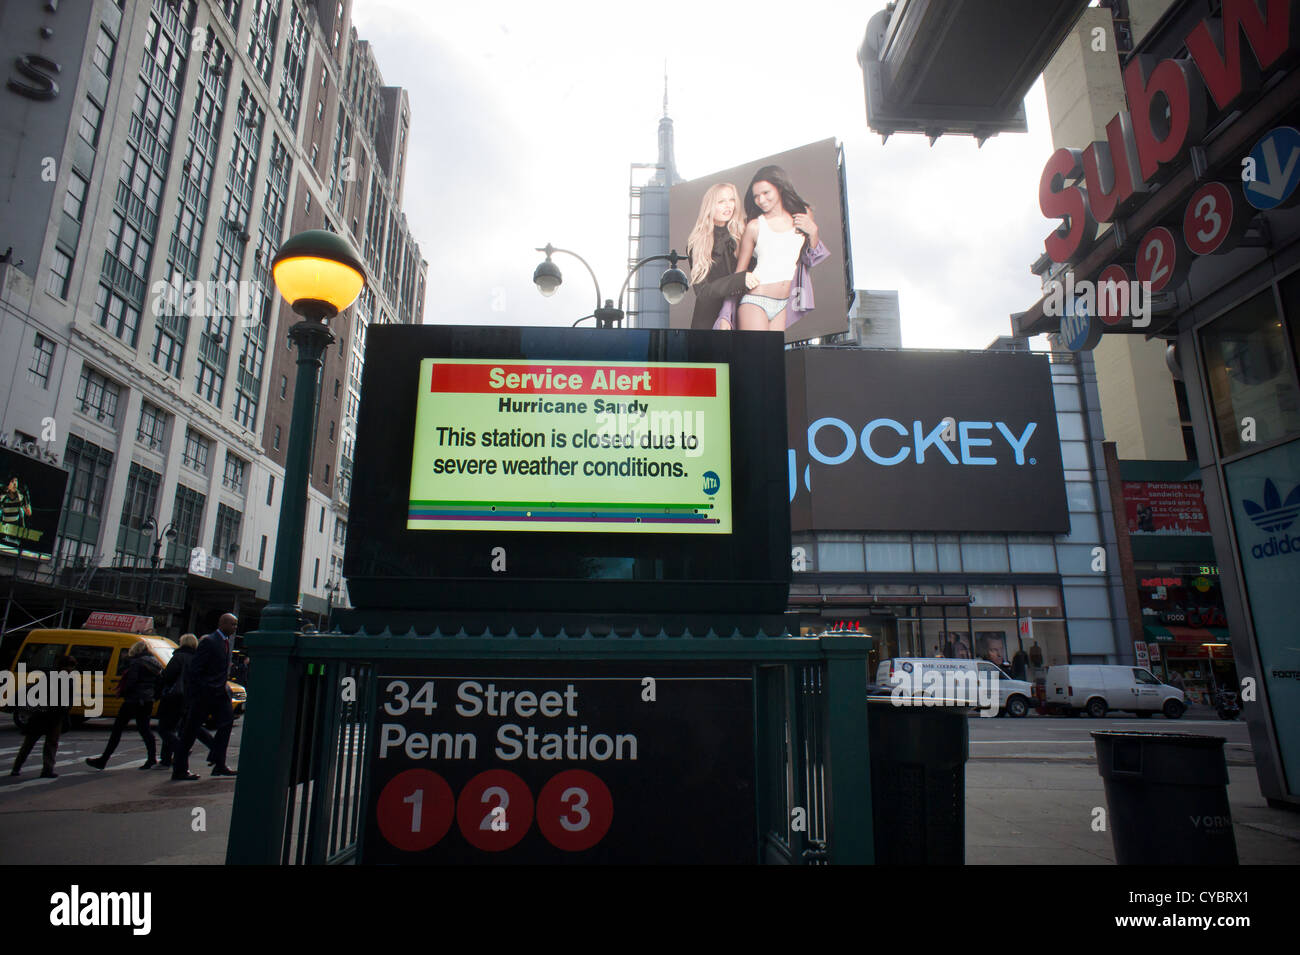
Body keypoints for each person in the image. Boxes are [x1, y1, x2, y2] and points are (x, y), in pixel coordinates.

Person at [717, 166, 829, 332]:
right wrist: (725, 315)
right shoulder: (755, 226)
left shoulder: (803, 216)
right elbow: (738, 275)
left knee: (772, 357)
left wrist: (814, 232)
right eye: (756, 196)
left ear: (780, 187)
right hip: (755, 301)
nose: (761, 200)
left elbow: (809, 260)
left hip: (782, 304)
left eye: (766, 193)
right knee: (756, 357)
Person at [172, 613, 239, 780]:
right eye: (233, 624)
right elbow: (195, 670)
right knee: (190, 731)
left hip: (219, 692)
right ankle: (180, 769)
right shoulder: (209, 641)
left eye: (236, 625)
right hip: (206, 694)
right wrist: (203, 689)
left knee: (227, 722)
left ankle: (219, 763)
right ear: (222, 623)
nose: (235, 628)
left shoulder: (225, 642)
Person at [685, 182, 757, 330]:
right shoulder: (697, 243)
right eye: (721, 201)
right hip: (708, 321)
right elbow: (702, 292)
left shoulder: (744, 233)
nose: (728, 206)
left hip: (741, 314)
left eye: (731, 200)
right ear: (710, 206)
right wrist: (738, 280)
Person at [86, 640, 161, 770]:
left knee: (117, 729)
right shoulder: (155, 663)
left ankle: (103, 759)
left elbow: (131, 681)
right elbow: (160, 682)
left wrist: (125, 692)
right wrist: (154, 695)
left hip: (133, 700)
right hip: (147, 700)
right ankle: (151, 758)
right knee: (145, 730)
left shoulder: (137, 663)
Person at [9, 654, 77, 778]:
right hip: (43, 715)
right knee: (31, 743)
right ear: (60, 666)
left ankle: (47, 769)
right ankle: (17, 767)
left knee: (49, 744)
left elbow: (70, 697)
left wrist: (66, 707)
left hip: (55, 716)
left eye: (71, 667)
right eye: (67, 666)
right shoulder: (50, 677)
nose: (69, 669)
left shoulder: (66, 679)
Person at [155, 633, 214, 768]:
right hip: (190, 698)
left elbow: (167, 677)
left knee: (165, 728)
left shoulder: (178, 657)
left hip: (174, 697)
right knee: (186, 728)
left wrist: (160, 683)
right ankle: (170, 757)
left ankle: (177, 753)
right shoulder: (197, 658)